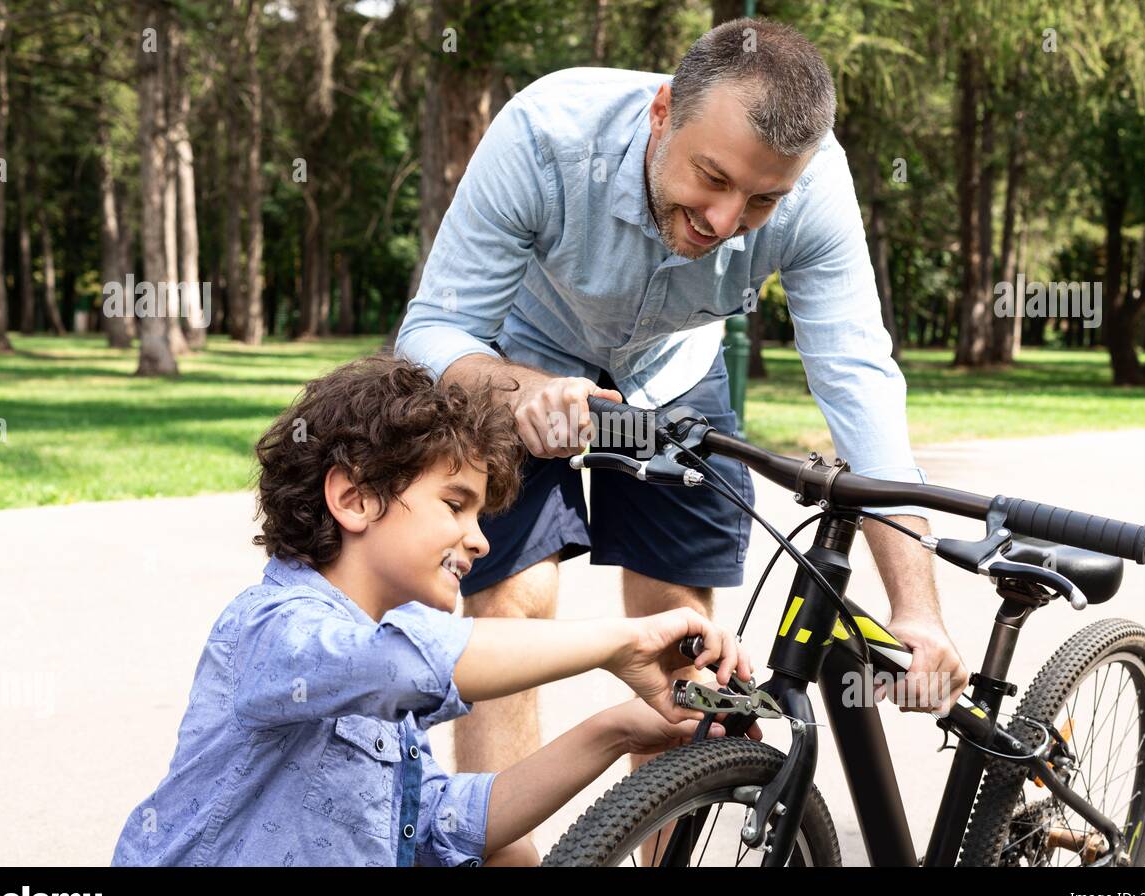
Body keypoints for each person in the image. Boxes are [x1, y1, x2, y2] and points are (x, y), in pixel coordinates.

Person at [395, 15, 969, 842]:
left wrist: (916, 609)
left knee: (680, 641)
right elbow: (435, 329)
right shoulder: (545, 133)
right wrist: (522, 388)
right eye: (712, 177)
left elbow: (860, 385)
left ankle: (655, 849)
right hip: (517, 355)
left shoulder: (816, 192)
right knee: (510, 601)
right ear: (662, 112)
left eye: (762, 199)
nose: (726, 221)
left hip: (674, 369)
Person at [110, 354, 753, 867]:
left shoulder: (391, 637)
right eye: (455, 505)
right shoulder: (274, 625)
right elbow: (399, 667)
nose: (479, 539)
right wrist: (622, 641)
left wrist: (616, 732)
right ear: (355, 499)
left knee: (509, 853)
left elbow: (445, 821)